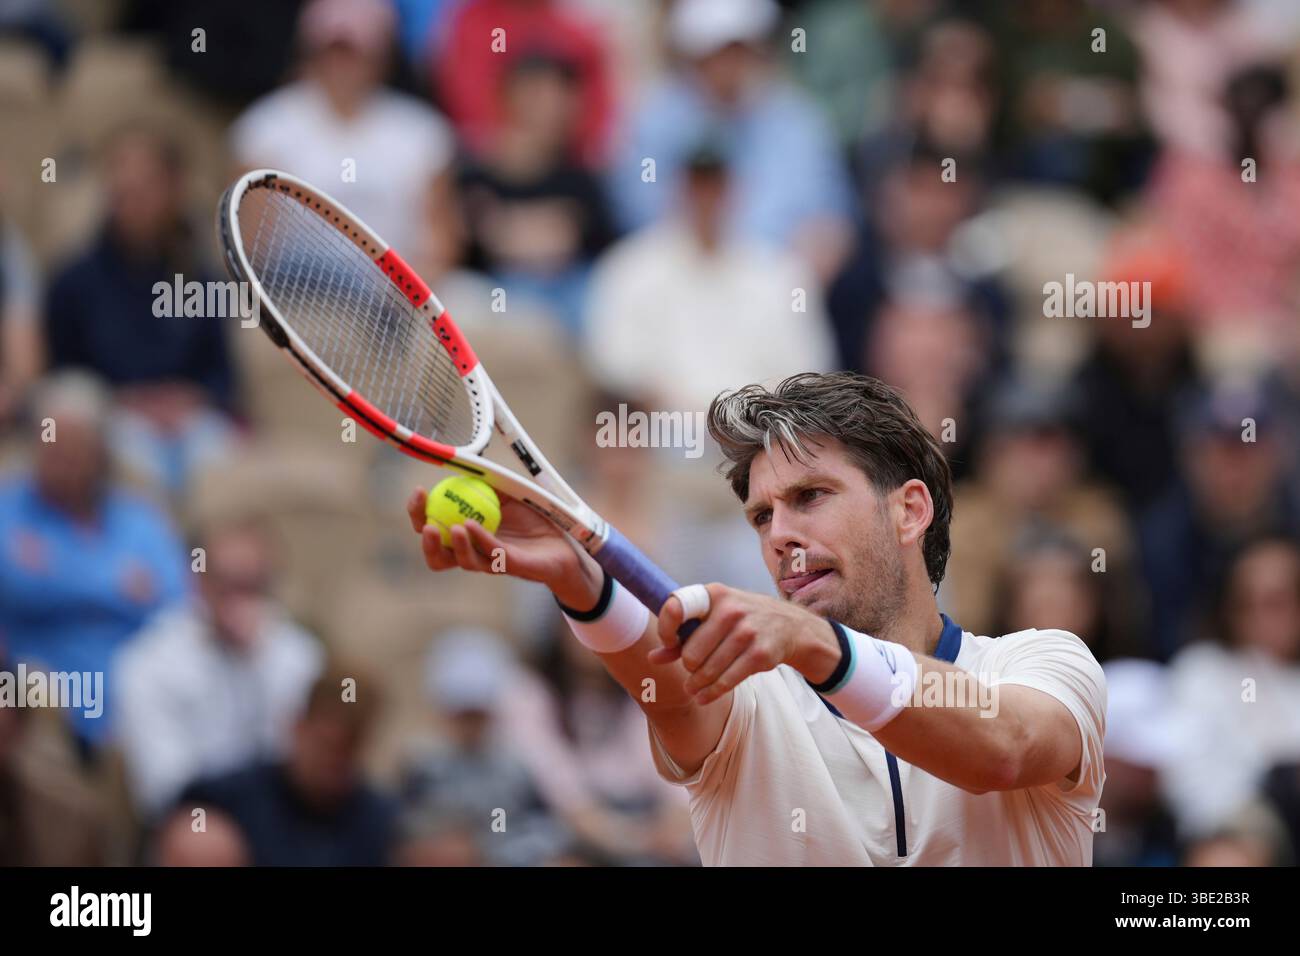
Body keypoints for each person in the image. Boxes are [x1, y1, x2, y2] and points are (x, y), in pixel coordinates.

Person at [406, 371, 1107, 865]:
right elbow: (666, 683)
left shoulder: (1042, 662)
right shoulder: (746, 703)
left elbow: (1007, 746)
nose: (778, 534)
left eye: (811, 496)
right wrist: (579, 582)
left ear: (910, 510)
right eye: (762, 515)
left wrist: (816, 644)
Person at [43, 124, 237, 496]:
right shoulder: (74, 280)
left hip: (187, 420)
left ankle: (205, 552)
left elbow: (223, 377)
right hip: (113, 415)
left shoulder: (202, 277)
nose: (131, 198)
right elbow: (61, 375)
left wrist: (188, 399)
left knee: (213, 454)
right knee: (135, 457)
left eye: (145, 186)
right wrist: (124, 400)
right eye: (121, 185)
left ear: (173, 189)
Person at [0, 372, 190, 749]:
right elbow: (21, 585)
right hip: (43, 692)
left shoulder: (140, 518)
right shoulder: (8, 510)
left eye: (75, 452)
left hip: (144, 689)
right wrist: (118, 584)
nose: (61, 463)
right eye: (52, 449)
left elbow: (175, 601)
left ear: (100, 455)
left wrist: (59, 570)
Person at [584, 144, 834, 416]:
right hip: (658, 440)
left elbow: (808, 371)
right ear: (676, 190)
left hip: (758, 439)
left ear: (735, 191)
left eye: (716, 186)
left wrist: (748, 422)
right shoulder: (629, 268)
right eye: (697, 186)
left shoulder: (783, 274)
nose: (706, 198)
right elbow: (612, 365)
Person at [115, 516, 323, 819]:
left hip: (287, 819)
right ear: (200, 581)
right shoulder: (147, 664)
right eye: (228, 586)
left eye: (253, 587)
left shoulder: (301, 656)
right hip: (201, 818)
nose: (241, 603)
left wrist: (255, 662)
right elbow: (165, 788)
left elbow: (312, 769)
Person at [230, 0, 455, 261]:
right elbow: (250, 237)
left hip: (395, 293)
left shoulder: (422, 132)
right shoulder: (265, 127)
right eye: (333, 53)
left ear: (381, 59)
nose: (342, 68)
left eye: (355, 55)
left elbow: (441, 240)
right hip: (292, 289)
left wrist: (396, 297)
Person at [169, 662, 398, 867]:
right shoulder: (239, 795)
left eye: (347, 750)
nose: (333, 760)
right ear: (298, 726)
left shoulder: (379, 821)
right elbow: (188, 810)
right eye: (325, 744)